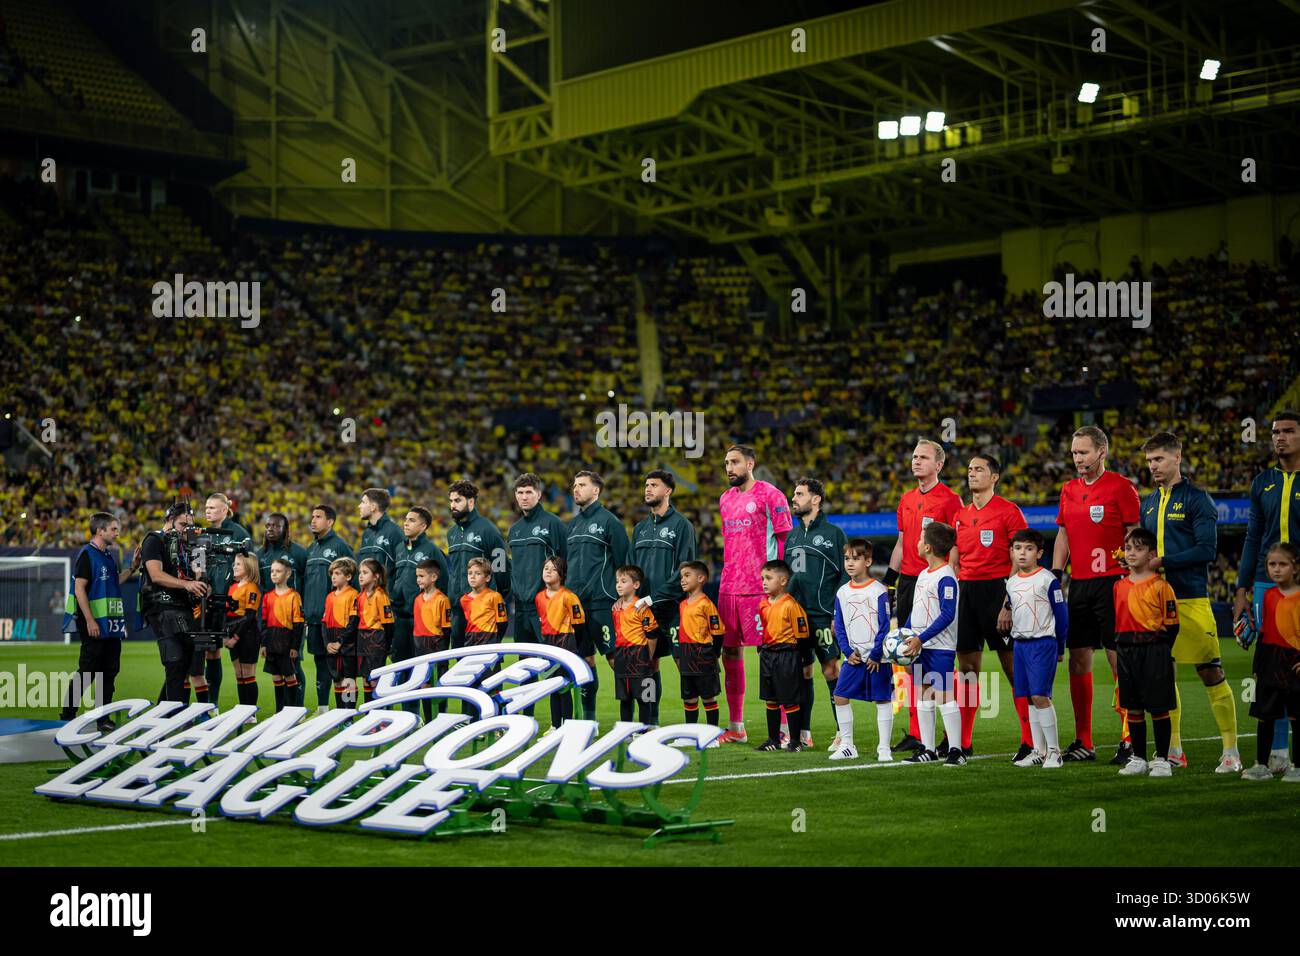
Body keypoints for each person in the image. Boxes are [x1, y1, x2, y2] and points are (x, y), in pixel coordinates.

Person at [1140, 432, 1240, 772]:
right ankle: (1174, 749)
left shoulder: (1198, 500)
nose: (1153, 466)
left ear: (1177, 457)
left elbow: (1206, 550)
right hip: (1155, 603)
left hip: (1191, 599)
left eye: (1159, 459)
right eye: (1150, 461)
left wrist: (1161, 562)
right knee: (1163, 677)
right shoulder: (1149, 503)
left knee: (1210, 671)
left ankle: (1231, 751)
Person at [1052, 425, 1140, 764]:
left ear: (1102, 452)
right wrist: (1058, 574)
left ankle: (1129, 738)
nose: (1078, 459)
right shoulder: (1069, 489)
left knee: (1118, 659)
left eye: (1083, 452)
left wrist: (1134, 576)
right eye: (1074, 453)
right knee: (1078, 659)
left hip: (1114, 583)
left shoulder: (1122, 487)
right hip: (1080, 584)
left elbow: (1134, 534)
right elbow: (1063, 534)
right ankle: (1084, 741)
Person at [1234, 411, 1300, 771]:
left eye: (1289, 432)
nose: (1280, 438)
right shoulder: (1262, 483)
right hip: (1264, 581)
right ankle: (1276, 752)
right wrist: (1242, 590)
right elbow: (1252, 537)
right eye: (1276, 432)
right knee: (1271, 666)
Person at [954, 453, 1030, 760]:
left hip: (999, 591)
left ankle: (1028, 740)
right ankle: (964, 742)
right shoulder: (960, 515)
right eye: (970, 469)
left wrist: (1009, 602)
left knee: (1013, 669)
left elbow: (1021, 558)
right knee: (967, 669)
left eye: (979, 469)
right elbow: (955, 558)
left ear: (994, 477)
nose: (972, 474)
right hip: (966, 591)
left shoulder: (1009, 512)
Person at [887, 439, 961, 754]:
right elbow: (902, 542)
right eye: (914, 456)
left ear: (939, 465)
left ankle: (953, 741)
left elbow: (954, 544)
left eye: (924, 457)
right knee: (909, 659)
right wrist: (889, 583)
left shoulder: (950, 499)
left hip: (935, 578)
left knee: (938, 660)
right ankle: (919, 734)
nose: (916, 461)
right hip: (910, 581)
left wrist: (951, 575)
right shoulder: (905, 499)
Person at [717, 445, 793, 745]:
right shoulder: (724, 499)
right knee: (730, 652)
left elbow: (785, 540)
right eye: (726, 463)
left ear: (750, 463)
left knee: (772, 655)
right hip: (729, 587)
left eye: (734, 462)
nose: (729, 467)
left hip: (760, 589)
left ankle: (785, 728)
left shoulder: (771, 495)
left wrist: (780, 585)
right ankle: (736, 726)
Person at [60, 512, 139, 730]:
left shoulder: (108, 556)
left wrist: (132, 568)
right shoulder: (87, 554)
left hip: (111, 625)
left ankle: (102, 718)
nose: (117, 533)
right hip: (95, 624)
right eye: (113, 529)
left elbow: (114, 581)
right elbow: (79, 588)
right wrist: (90, 621)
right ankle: (67, 715)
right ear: (99, 530)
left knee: (109, 672)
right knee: (88, 670)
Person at [785, 477, 848, 750]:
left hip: (823, 614)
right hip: (796, 616)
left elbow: (845, 575)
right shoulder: (792, 535)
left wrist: (839, 613)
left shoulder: (834, 534)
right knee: (802, 672)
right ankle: (803, 734)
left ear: (816, 499)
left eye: (799, 494)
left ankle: (842, 733)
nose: (794, 499)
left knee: (831, 670)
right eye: (794, 494)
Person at [630, 469, 697, 727]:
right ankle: (651, 722)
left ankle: (694, 727)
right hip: (646, 610)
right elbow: (634, 570)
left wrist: (654, 597)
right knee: (648, 665)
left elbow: (685, 569)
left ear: (667, 491)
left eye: (653, 485)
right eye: (646, 484)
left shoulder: (681, 526)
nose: (647, 489)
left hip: (675, 608)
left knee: (685, 666)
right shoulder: (640, 528)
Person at [1112, 528, 1180, 778]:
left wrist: (1160, 651)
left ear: (1152, 554)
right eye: (1128, 548)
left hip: (1154, 650)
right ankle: (1138, 757)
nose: (1131, 553)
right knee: (1134, 707)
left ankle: (1161, 759)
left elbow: (1173, 625)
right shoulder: (1118, 586)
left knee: (1159, 706)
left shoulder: (1162, 587)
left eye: (1138, 548)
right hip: (1126, 651)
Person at [566, 470, 629, 720]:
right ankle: (588, 720)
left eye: (581, 484)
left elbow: (624, 562)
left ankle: (629, 722)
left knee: (616, 660)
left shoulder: (610, 522)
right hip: (577, 606)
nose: (575, 489)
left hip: (603, 603)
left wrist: (623, 599)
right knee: (584, 661)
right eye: (574, 484)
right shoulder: (571, 525)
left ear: (596, 490)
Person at [900, 521, 963, 765]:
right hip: (919, 646)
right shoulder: (923, 574)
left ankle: (956, 751)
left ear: (927, 547)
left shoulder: (946, 576)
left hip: (939, 647)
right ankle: (928, 749)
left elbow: (947, 615)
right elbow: (917, 611)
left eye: (919, 539)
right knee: (924, 694)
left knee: (944, 695)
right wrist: (905, 636)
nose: (916, 543)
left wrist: (921, 638)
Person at [1005, 530, 1068, 769]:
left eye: (1029, 548)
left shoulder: (1048, 580)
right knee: (1030, 698)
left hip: (1043, 643)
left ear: (1040, 553)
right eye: (1018, 548)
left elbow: (1061, 616)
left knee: (1041, 696)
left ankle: (1055, 752)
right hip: (1020, 644)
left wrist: (1060, 646)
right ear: (1012, 552)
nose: (1022, 553)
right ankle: (1038, 751)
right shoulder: (1011, 583)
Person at [828, 538, 893, 762]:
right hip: (853, 658)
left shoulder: (878, 590)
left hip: (878, 659)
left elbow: (885, 625)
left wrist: (876, 654)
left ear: (868, 561)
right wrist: (846, 651)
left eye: (856, 559)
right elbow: (840, 626)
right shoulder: (842, 593)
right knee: (840, 695)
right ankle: (847, 745)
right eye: (847, 559)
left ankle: (884, 748)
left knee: (883, 699)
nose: (850, 563)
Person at [508, 473, 568, 718]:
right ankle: (526, 720)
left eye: (529, 492)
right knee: (526, 667)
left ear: (539, 494)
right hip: (521, 608)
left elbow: (566, 561)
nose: (524, 497)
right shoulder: (514, 529)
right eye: (520, 493)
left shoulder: (553, 524)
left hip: (546, 607)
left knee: (554, 666)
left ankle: (560, 723)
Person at [139, 502, 210, 703]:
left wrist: (202, 583)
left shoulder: (192, 543)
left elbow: (200, 574)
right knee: (175, 661)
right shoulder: (154, 539)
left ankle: (163, 716)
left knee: (183, 665)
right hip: (161, 605)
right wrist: (187, 585)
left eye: (190, 525)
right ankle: (172, 717)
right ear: (170, 521)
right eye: (182, 524)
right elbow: (156, 575)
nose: (187, 530)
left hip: (183, 607)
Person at [1241, 543, 1300, 781]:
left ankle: (1297, 767)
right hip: (1269, 664)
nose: (1276, 569)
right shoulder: (1268, 596)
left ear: (1295, 568)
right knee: (1264, 716)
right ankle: (1261, 765)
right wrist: (1257, 666)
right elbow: (1265, 632)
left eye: (1282, 564)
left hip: (1294, 664)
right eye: (1272, 564)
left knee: (1297, 718)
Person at [390, 506, 448, 714]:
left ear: (423, 526)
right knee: (403, 669)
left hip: (423, 622)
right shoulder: (398, 548)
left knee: (427, 672)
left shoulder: (432, 551)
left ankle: (437, 716)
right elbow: (393, 578)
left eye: (412, 520)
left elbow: (445, 582)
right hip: (400, 619)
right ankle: (410, 716)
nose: (406, 523)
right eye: (405, 519)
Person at [200, 493, 251, 709]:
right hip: (208, 603)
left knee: (239, 658)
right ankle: (213, 704)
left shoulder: (239, 533)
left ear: (224, 510)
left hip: (233, 604)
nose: (208, 511)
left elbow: (249, 569)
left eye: (212, 507)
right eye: (206, 507)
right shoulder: (202, 535)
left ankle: (246, 709)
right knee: (211, 651)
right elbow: (197, 566)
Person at [755, 559, 811, 752]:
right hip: (768, 655)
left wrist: (803, 660)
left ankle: (795, 741)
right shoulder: (762, 604)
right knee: (770, 699)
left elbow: (802, 635)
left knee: (789, 699)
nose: (764, 582)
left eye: (769, 578)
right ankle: (773, 739)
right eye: (763, 578)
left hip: (787, 655)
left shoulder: (791, 605)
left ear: (783, 581)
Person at [447, 480, 510, 648]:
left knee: (484, 662)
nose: (453, 505)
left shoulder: (488, 529)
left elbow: (501, 567)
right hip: (458, 607)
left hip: (482, 609)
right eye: (451, 501)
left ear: (471, 502)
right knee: (460, 661)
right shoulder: (451, 533)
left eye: (458, 500)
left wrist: (496, 596)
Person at [304, 505, 354, 712]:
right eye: (312, 516)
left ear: (330, 521)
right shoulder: (312, 548)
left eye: (318, 517)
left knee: (342, 667)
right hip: (316, 619)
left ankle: (346, 712)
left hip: (338, 621)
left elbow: (353, 580)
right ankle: (323, 708)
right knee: (320, 663)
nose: (313, 520)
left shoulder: (341, 547)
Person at [256, 512, 309, 705]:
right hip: (271, 621)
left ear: (285, 529)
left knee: (293, 663)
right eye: (268, 525)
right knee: (277, 667)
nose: (270, 529)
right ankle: (282, 711)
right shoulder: (260, 555)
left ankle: (297, 708)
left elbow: (308, 582)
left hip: (293, 619)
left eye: (275, 526)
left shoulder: (299, 553)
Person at [535, 556, 587, 731]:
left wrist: (572, 647)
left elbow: (579, 625)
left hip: (566, 643)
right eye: (546, 568)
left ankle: (567, 726)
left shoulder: (569, 597)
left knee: (564, 687)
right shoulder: (538, 597)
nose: (548, 571)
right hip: (548, 646)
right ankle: (555, 725)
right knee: (552, 686)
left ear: (562, 574)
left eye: (553, 569)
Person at [675, 560, 724, 738]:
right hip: (686, 655)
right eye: (682, 577)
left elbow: (718, 632)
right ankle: (690, 735)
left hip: (703, 654)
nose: (683, 580)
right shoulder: (682, 604)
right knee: (689, 698)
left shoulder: (706, 604)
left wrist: (714, 653)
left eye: (687, 575)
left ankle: (712, 737)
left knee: (708, 697)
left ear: (701, 578)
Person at [611, 565, 660, 725]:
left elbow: (652, 634)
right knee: (624, 698)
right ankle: (626, 730)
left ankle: (646, 728)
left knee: (645, 697)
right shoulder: (616, 608)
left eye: (623, 581)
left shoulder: (641, 607)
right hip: (622, 656)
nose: (618, 584)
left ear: (636, 585)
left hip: (640, 655)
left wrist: (649, 656)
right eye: (617, 581)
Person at [259, 557, 305, 712]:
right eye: (272, 571)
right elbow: (264, 622)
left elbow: (298, 623)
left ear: (288, 574)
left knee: (290, 676)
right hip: (272, 641)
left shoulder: (294, 596)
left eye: (278, 571)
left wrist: (295, 646)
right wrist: (263, 644)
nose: (274, 574)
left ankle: (291, 711)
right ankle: (279, 711)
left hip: (286, 641)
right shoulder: (267, 596)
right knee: (276, 677)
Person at [412, 559, 452, 723]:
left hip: (437, 647)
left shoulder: (442, 600)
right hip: (420, 647)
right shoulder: (417, 600)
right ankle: (428, 721)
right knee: (424, 686)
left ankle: (441, 720)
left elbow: (446, 629)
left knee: (439, 686)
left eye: (422, 576)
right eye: (417, 576)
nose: (418, 580)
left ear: (433, 577)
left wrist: (442, 653)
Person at [222, 553, 262, 711]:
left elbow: (250, 616)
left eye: (238, 564)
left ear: (249, 567)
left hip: (248, 633)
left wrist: (235, 637)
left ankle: (250, 711)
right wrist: (226, 635)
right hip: (232, 632)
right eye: (234, 564)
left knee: (248, 674)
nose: (234, 566)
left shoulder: (252, 587)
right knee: (239, 674)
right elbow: (225, 613)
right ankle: (242, 710)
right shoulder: (232, 586)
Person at [355, 558, 394, 703]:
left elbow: (389, 624)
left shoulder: (380, 596)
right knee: (365, 679)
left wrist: (387, 646)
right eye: (360, 572)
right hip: (362, 639)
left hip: (376, 639)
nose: (360, 576)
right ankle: (368, 715)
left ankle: (379, 714)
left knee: (374, 680)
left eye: (365, 572)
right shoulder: (360, 596)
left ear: (376, 576)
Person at [322, 557, 360, 708]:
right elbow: (323, 623)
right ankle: (340, 714)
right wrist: (327, 644)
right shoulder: (329, 597)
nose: (333, 576)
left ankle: (348, 715)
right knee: (336, 679)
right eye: (332, 573)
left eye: (337, 573)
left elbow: (353, 622)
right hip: (331, 643)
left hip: (347, 644)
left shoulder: (353, 594)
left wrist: (340, 642)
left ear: (349, 577)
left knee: (348, 680)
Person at [358, 488, 402, 591]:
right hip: (366, 601)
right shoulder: (366, 534)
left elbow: (403, 570)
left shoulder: (394, 532)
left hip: (385, 600)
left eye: (363, 502)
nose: (359, 506)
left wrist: (393, 598)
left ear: (373, 507)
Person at [461, 556, 509, 646]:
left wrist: (495, 641)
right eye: (470, 573)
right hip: (470, 643)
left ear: (487, 578)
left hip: (489, 643)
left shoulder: (495, 596)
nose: (472, 576)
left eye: (478, 573)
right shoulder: (463, 599)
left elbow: (502, 623)